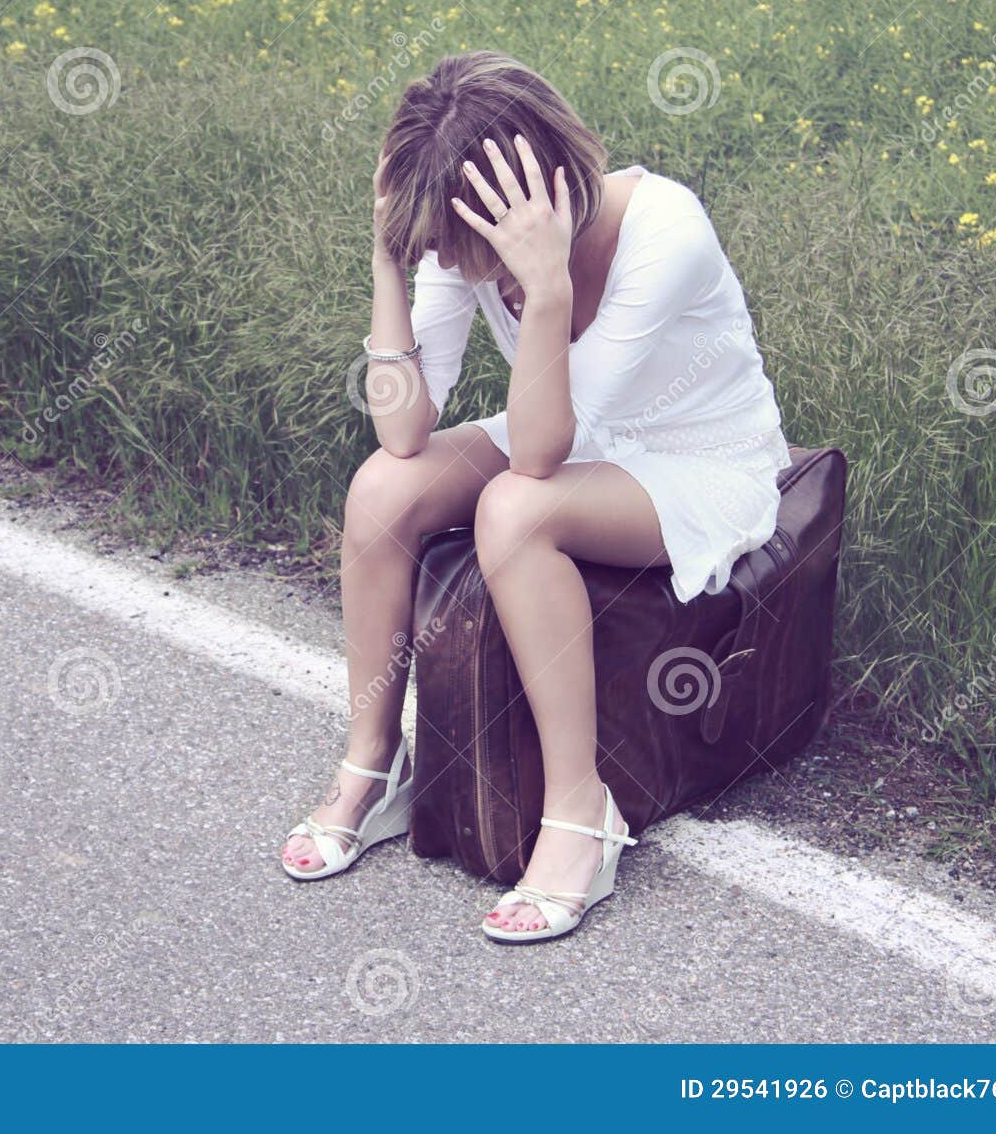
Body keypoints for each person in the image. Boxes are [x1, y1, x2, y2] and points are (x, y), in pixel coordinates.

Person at [280, 51, 792, 943]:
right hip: (567, 430)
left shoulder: (664, 228)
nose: (472, 273)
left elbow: (548, 451)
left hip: (697, 461)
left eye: (462, 252)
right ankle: (374, 759)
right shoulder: (464, 233)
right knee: (380, 490)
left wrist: (548, 287)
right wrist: (391, 259)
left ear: (540, 194)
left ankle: (580, 814)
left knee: (513, 512)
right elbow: (402, 431)